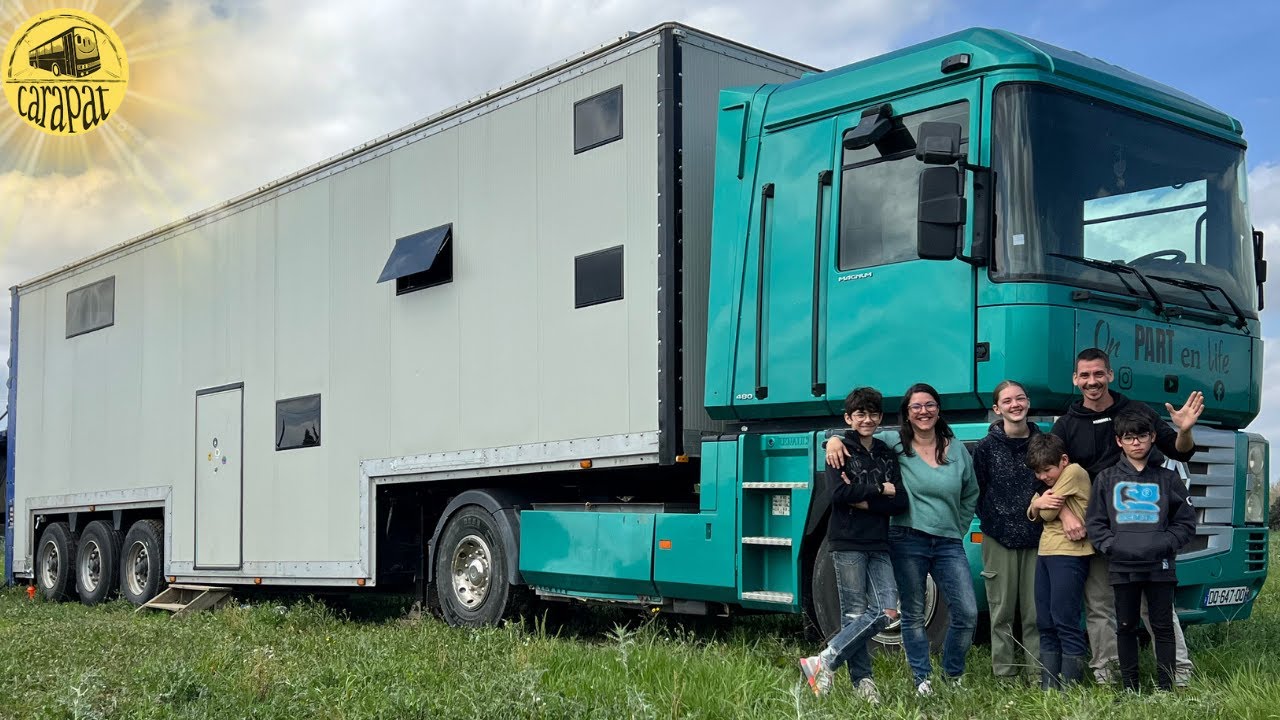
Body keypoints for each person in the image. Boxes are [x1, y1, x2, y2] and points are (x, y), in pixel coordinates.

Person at [1051, 347, 1202, 685]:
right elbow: (1048, 474)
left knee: (1157, 610)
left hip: (1146, 528)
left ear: (1111, 375)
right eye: (1085, 375)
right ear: (1076, 380)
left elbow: (1179, 448)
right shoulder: (1067, 424)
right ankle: (1110, 675)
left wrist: (1185, 429)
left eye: (1099, 374)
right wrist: (1066, 515)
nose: (1093, 381)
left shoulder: (1137, 411)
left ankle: (1179, 673)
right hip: (1101, 530)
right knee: (1100, 605)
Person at [826, 383, 979, 696]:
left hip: (948, 541)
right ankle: (922, 680)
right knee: (912, 613)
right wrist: (831, 441)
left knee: (967, 612)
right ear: (906, 414)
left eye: (929, 405)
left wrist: (958, 527)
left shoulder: (955, 446)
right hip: (907, 539)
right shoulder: (892, 441)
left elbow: (970, 492)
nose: (923, 411)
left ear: (938, 409)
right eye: (916, 407)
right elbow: (856, 435)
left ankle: (954, 673)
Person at [799, 388, 908, 704]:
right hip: (846, 540)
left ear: (880, 417)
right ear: (848, 418)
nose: (867, 419)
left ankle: (824, 661)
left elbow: (899, 500)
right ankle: (863, 682)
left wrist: (864, 500)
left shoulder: (887, 453)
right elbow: (837, 495)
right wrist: (878, 489)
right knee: (854, 613)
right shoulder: (838, 450)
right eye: (860, 414)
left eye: (873, 413)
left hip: (878, 541)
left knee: (887, 610)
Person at [1085, 409, 1197, 692]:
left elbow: (1185, 522)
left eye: (1142, 436)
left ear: (1153, 438)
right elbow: (1095, 522)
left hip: (1160, 567)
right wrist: (1113, 546)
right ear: (1119, 441)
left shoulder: (1167, 478)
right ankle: (1130, 687)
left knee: (1162, 628)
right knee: (1125, 627)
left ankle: (1166, 687)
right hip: (1122, 567)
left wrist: (1164, 543)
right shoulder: (1106, 479)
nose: (1136, 443)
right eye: (1129, 437)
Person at [972, 380, 1042, 682]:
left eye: (1020, 398)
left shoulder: (1044, 443)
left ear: (1028, 403)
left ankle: (1038, 672)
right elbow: (976, 491)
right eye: (1008, 401)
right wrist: (996, 520)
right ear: (997, 408)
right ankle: (1004, 674)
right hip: (998, 537)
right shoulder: (986, 448)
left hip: (1039, 538)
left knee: (1035, 612)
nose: (1015, 405)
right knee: (1000, 611)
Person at [1024, 433, 1093, 690]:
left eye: (1047, 470)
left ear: (1063, 460)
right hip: (1047, 552)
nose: (1042, 477)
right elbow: (1034, 509)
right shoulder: (1053, 479)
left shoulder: (1074, 471)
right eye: (1038, 473)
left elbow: (1048, 511)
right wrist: (1037, 503)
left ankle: (1070, 687)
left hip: (1070, 553)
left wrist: (1038, 503)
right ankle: (1049, 686)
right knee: (1045, 621)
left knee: (1065, 620)